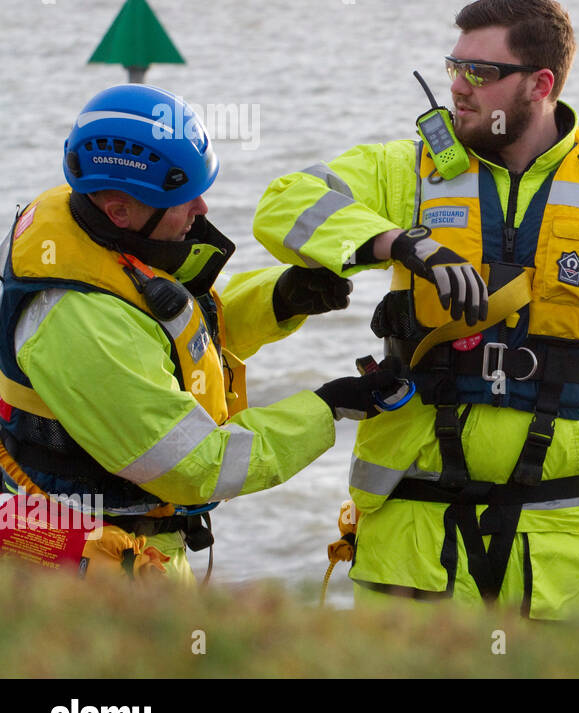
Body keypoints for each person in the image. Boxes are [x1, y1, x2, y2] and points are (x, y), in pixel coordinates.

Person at [253, 0, 579, 618]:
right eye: (453, 68)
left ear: (541, 83)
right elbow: (284, 203)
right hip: (409, 550)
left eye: (481, 72)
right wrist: (399, 243)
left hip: (560, 558)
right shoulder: (406, 171)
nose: (459, 87)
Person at [0, 84, 404, 584]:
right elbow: (196, 466)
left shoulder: (98, 236)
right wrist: (328, 406)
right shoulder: (81, 321)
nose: (203, 208)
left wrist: (279, 299)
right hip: (90, 574)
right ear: (119, 209)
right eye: (182, 197)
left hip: (135, 550)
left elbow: (175, 335)